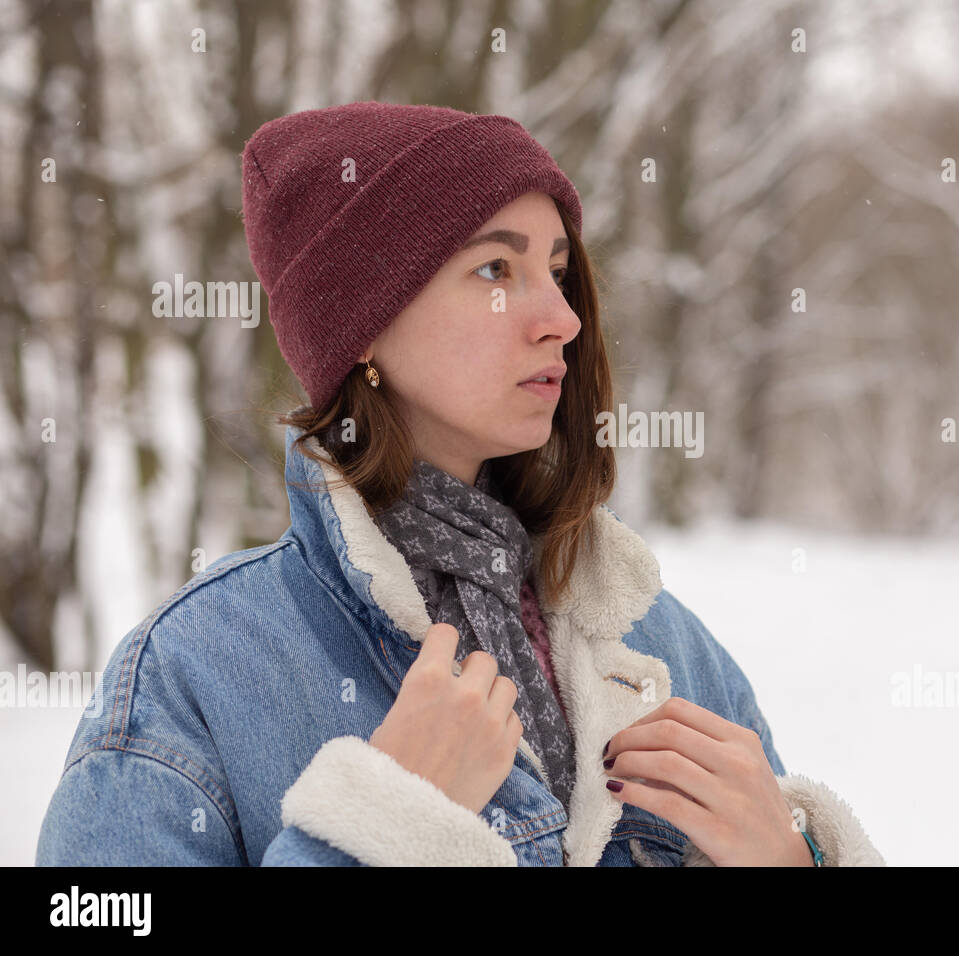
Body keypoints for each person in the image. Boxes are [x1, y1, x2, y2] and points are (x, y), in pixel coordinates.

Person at [35, 101, 885, 867]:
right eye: (494, 271)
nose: (563, 317)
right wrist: (381, 827)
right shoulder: (196, 675)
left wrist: (794, 860)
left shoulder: (660, 648)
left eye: (557, 270)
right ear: (362, 326)